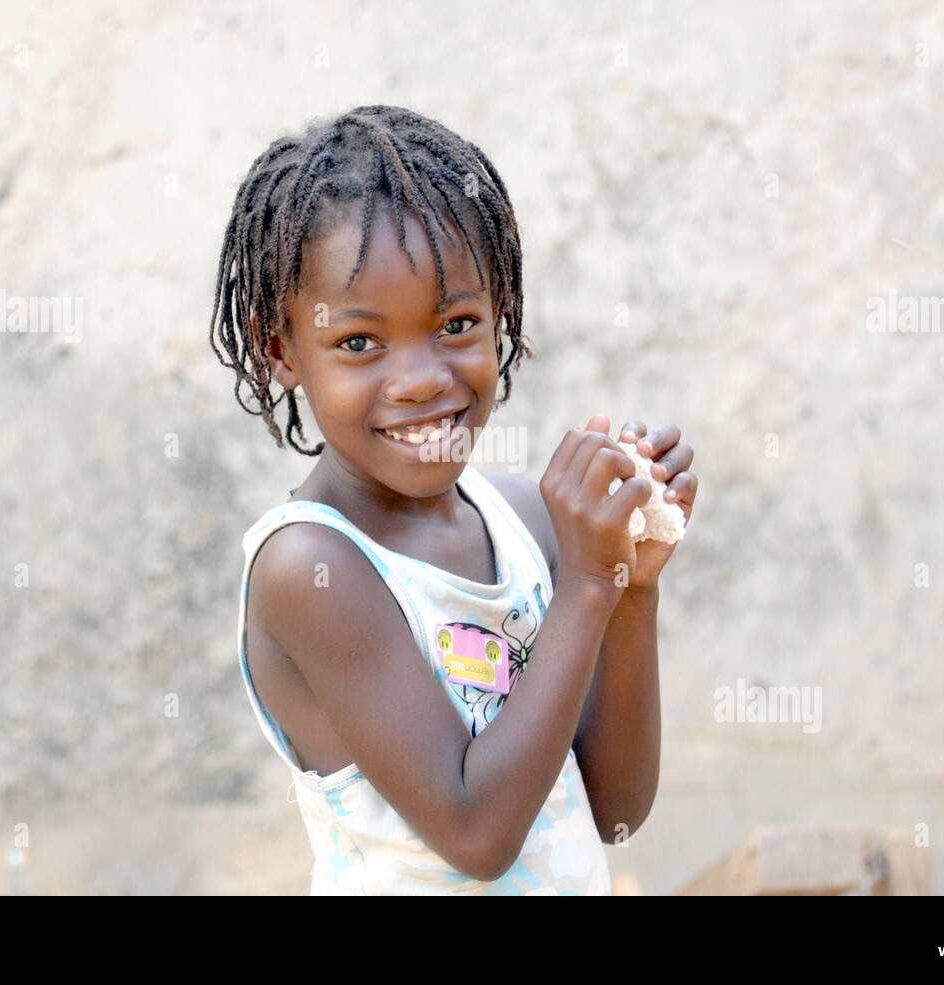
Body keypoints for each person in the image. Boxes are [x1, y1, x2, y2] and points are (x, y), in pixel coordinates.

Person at [208, 105, 697, 894]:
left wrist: (629, 587)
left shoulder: (525, 520)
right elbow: (475, 832)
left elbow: (613, 811)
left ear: (500, 313)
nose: (423, 378)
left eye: (457, 322)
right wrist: (581, 588)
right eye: (359, 342)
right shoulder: (312, 566)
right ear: (281, 349)